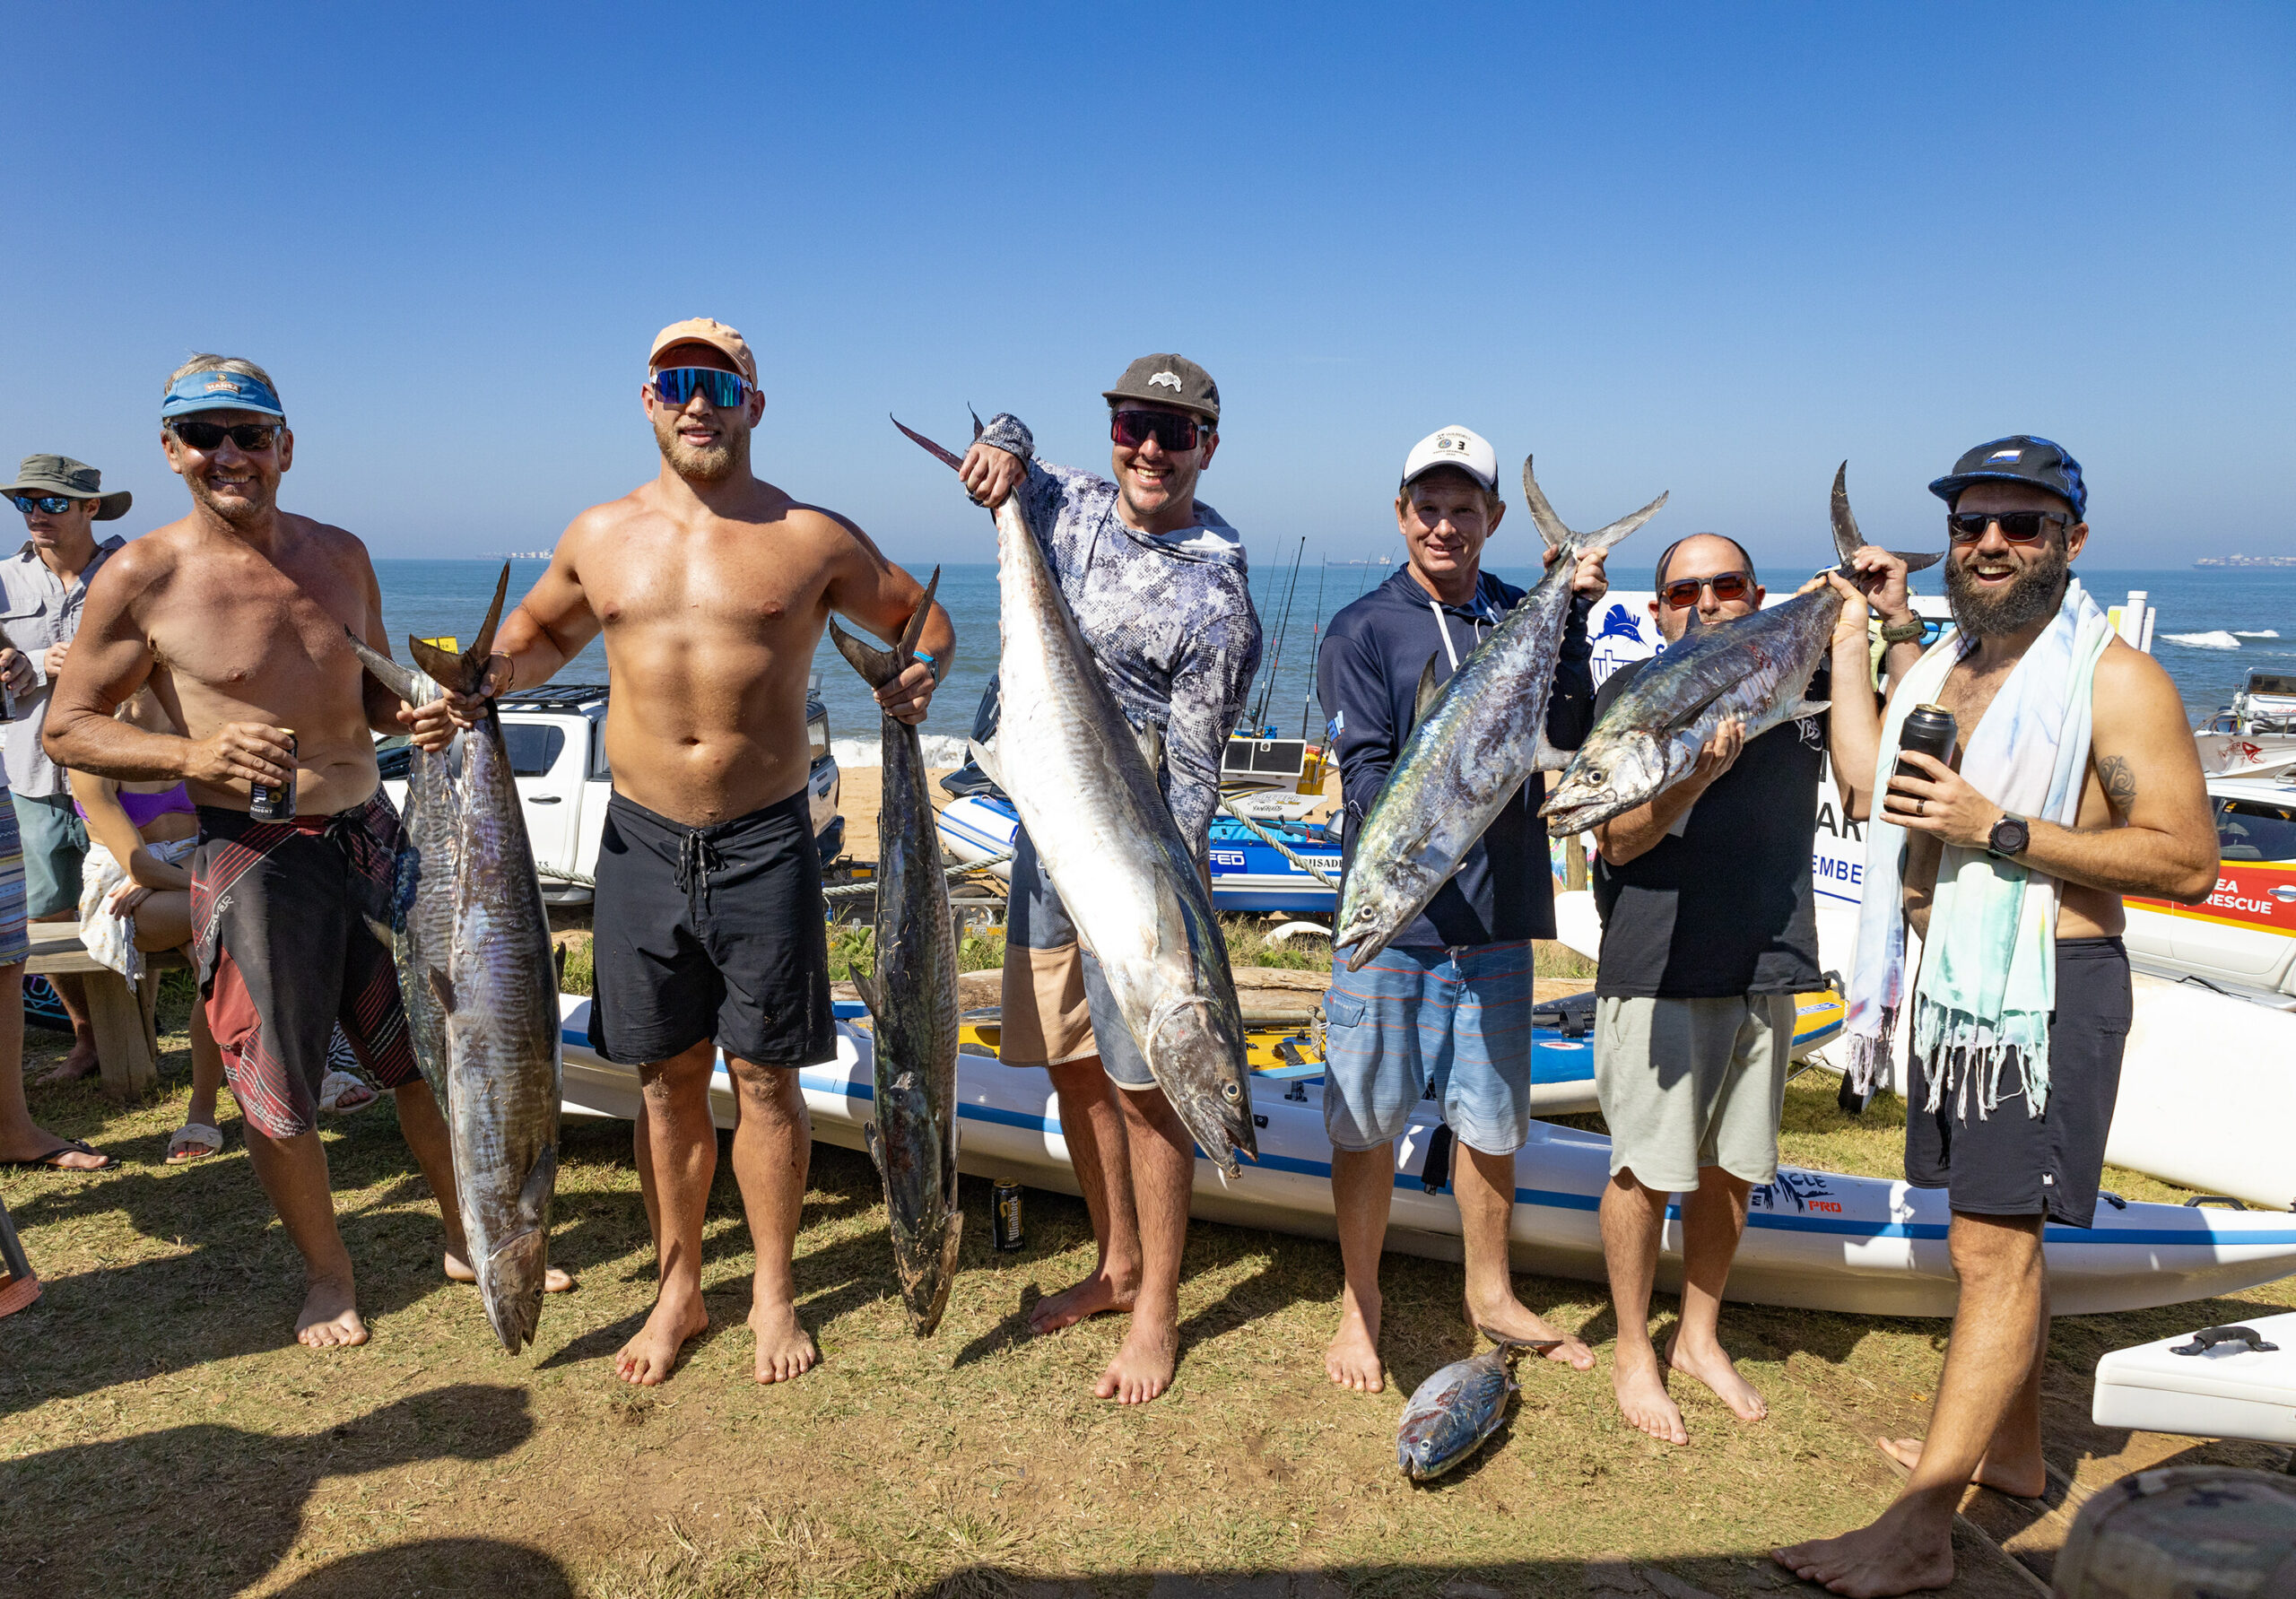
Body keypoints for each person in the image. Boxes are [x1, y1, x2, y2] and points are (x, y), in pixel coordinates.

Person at [414, 317, 951, 1387]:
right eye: (675, 383)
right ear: (647, 399)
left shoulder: (812, 536)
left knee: (765, 1079)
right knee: (664, 1081)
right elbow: (534, 643)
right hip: (641, 841)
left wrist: (919, 671)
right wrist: (462, 687)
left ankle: (772, 1290)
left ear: (754, 402)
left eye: (717, 382)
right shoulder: (599, 533)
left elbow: (921, 623)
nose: (696, 401)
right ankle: (678, 1291)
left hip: (766, 839)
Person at [44, 353, 560, 1347]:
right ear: (171, 451)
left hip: (373, 831)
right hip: (255, 852)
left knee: (433, 1049)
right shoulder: (142, 576)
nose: (228, 453)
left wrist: (416, 710)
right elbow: (69, 726)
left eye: (249, 434)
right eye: (205, 435)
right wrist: (193, 752)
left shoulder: (342, 552)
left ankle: (471, 1231)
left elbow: (368, 695)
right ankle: (329, 1275)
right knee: (272, 1080)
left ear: (286, 447)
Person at [1776, 438, 2215, 1595]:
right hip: (1961, 990)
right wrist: (1857, 638)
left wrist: (2000, 828)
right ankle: (2012, 1454)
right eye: (1974, 523)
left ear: (2072, 538)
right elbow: (1870, 780)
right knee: (1996, 1235)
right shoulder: (1950, 671)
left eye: (2022, 523)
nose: (1990, 543)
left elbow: (2187, 858)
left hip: (2049, 991)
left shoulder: (2117, 680)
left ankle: (1922, 1525)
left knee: (1991, 1248)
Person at [955, 353, 1262, 1403]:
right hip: (1045, 821)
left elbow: (1191, 784)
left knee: (1147, 1087)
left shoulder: (1218, 601)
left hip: (1124, 853)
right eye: (1135, 422)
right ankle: (1115, 1258)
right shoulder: (1069, 502)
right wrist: (1000, 448)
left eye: (1175, 433)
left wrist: (1156, 915)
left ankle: (1157, 1309)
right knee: (1067, 1057)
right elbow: (1008, 435)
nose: (1149, 447)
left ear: (1206, 449)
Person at [1588, 530, 1922, 1445]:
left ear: (1755, 593)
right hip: (1654, 965)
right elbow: (1614, 843)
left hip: (1768, 958)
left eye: (1726, 584)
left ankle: (1697, 1335)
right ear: (1657, 611)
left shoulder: (1803, 682)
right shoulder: (1632, 694)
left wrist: (1873, 624)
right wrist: (1693, 778)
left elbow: (1867, 783)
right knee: (1641, 1170)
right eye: (1682, 590)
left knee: (1731, 1169)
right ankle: (1630, 1347)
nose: (1706, 602)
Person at [1313, 426, 1611, 1393]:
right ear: (1402, 515)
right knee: (1364, 1121)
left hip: (1498, 921)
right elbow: (1362, 775)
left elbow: (1567, 729)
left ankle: (1490, 1291)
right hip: (1392, 924)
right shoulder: (1362, 629)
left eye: (1464, 507)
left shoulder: (1524, 614)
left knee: (1490, 1124)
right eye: (1428, 507)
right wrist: (1436, 806)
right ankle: (1360, 1302)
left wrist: (1569, 618)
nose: (1445, 524)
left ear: (1489, 519)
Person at [2, 456, 133, 1084]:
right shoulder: (1, 581)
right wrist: (27, 660)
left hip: (124, 770)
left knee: (140, 894)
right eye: (26, 501)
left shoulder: (134, 572)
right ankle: (88, 1038)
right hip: (32, 771)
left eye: (52, 502)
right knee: (47, 911)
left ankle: (133, 1032)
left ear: (91, 508)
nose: (35, 514)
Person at [70, 689, 239, 1160]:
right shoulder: (93, 746)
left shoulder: (204, 731)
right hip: (123, 884)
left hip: (195, 873)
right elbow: (138, 866)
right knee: (243, 914)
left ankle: (203, 1111)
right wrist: (212, 883)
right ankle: (315, 1064)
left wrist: (190, 878)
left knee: (220, 959)